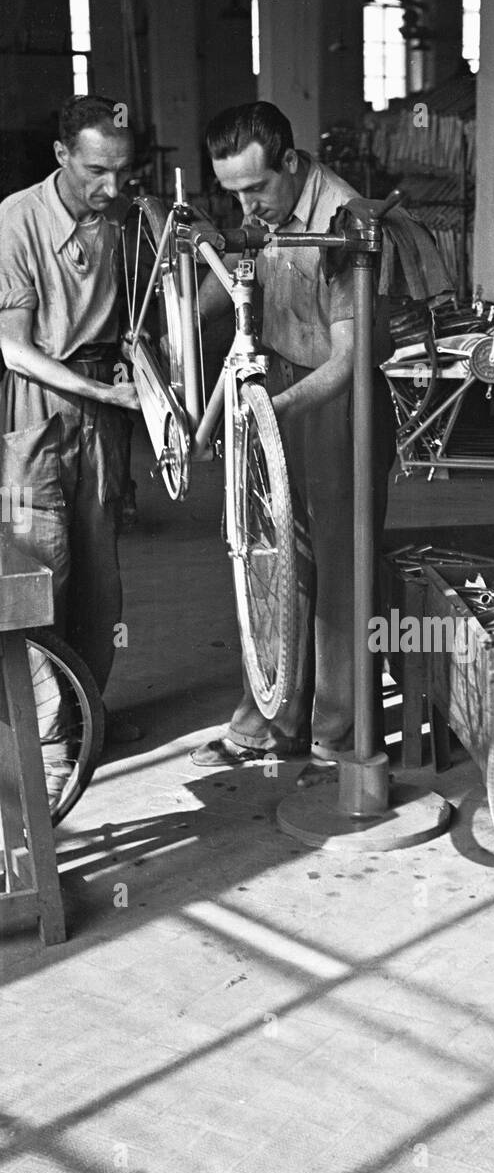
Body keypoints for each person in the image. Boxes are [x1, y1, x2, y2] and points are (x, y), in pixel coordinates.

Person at [190, 102, 399, 783]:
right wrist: (175, 320)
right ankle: (272, 720)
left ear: (290, 162)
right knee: (274, 556)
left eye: (256, 189)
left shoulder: (343, 223)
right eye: (234, 193)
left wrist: (270, 413)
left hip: (338, 400)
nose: (248, 206)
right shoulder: (264, 208)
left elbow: (349, 359)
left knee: (341, 571)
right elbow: (242, 273)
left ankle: (338, 738)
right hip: (277, 378)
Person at [0, 94, 142, 764]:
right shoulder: (17, 219)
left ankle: (88, 712)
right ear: (61, 156)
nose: (109, 187)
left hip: (103, 416)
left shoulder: (121, 217)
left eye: (121, 171)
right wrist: (102, 390)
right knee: (42, 572)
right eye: (94, 172)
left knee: (99, 580)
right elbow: (14, 348)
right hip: (41, 412)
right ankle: (49, 736)